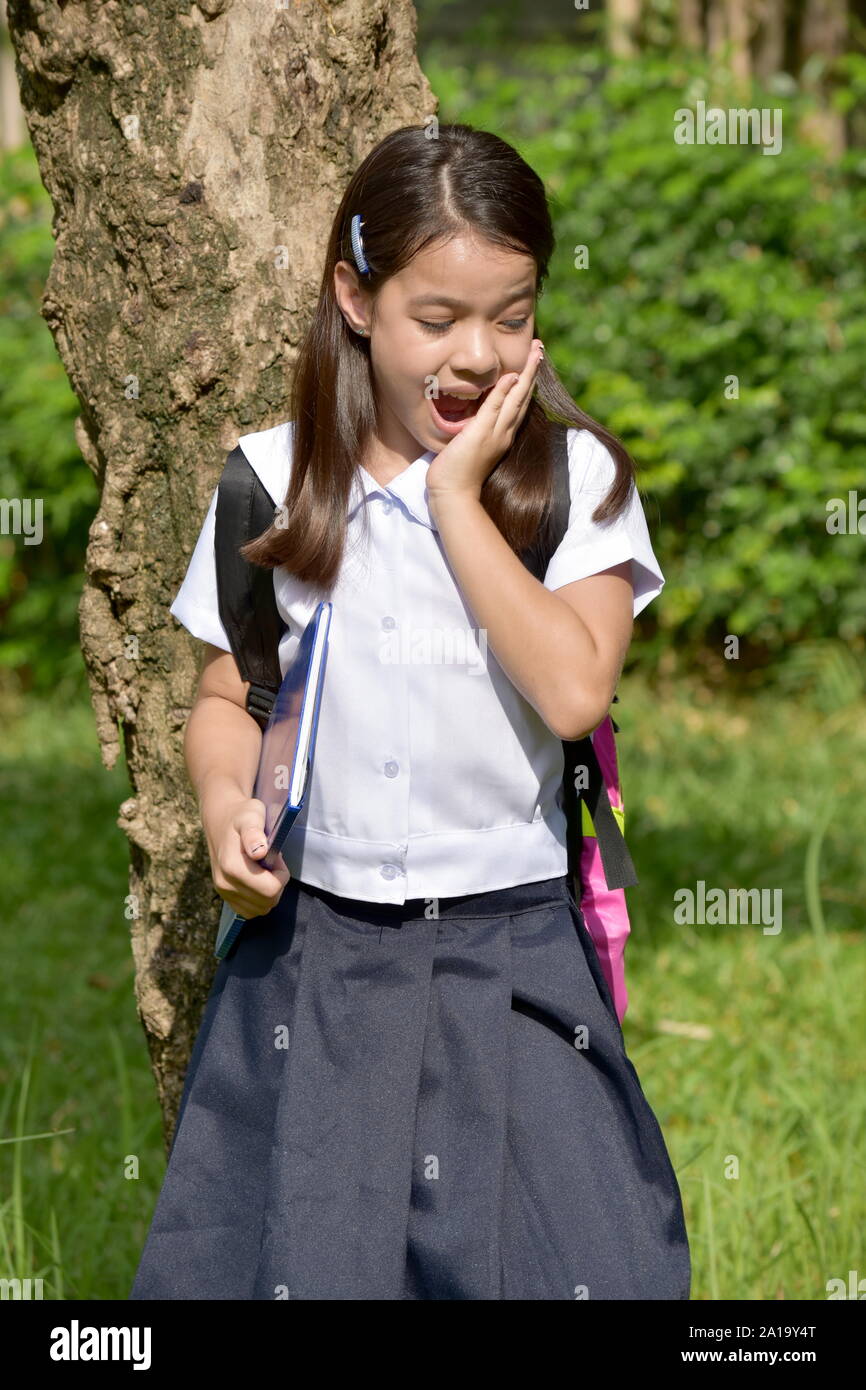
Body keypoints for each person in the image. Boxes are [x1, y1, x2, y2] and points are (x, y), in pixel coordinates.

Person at [130, 122, 690, 1301]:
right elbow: (230, 694)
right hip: (319, 957)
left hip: (513, 947)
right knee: (315, 1259)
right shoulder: (273, 484)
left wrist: (452, 500)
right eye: (436, 319)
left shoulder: (570, 482)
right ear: (355, 297)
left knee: (579, 1260)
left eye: (512, 313)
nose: (478, 354)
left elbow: (574, 685)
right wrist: (226, 799)